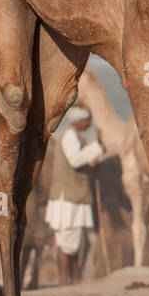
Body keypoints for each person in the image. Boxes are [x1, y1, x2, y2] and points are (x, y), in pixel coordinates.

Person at [44, 106, 106, 286]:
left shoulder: (77, 136)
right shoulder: (70, 136)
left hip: (76, 196)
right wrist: (97, 147)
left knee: (75, 241)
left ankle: (74, 280)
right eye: (87, 120)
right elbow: (75, 160)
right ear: (79, 121)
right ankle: (66, 282)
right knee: (66, 242)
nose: (89, 123)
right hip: (68, 197)